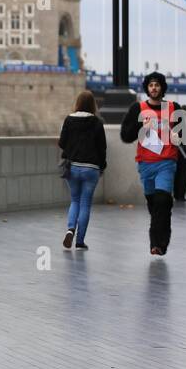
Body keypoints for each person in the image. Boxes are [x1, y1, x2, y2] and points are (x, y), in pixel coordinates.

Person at [120, 71, 185, 256]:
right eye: (151, 85)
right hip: (146, 164)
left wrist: (179, 136)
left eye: (157, 84)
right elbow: (125, 135)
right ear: (147, 88)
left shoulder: (174, 108)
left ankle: (157, 245)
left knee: (162, 201)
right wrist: (141, 127)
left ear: (162, 87)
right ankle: (160, 237)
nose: (154, 88)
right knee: (155, 205)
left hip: (167, 162)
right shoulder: (137, 109)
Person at [57, 90, 107, 250]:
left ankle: (70, 229)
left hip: (73, 167)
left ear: (77, 103)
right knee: (85, 203)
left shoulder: (69, 120)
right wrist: (102, 166)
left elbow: (62, 143)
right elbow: (102, 148)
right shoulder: (97, 122)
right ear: (93, 105)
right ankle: (79, 241)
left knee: (75, 200)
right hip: (91, 168)